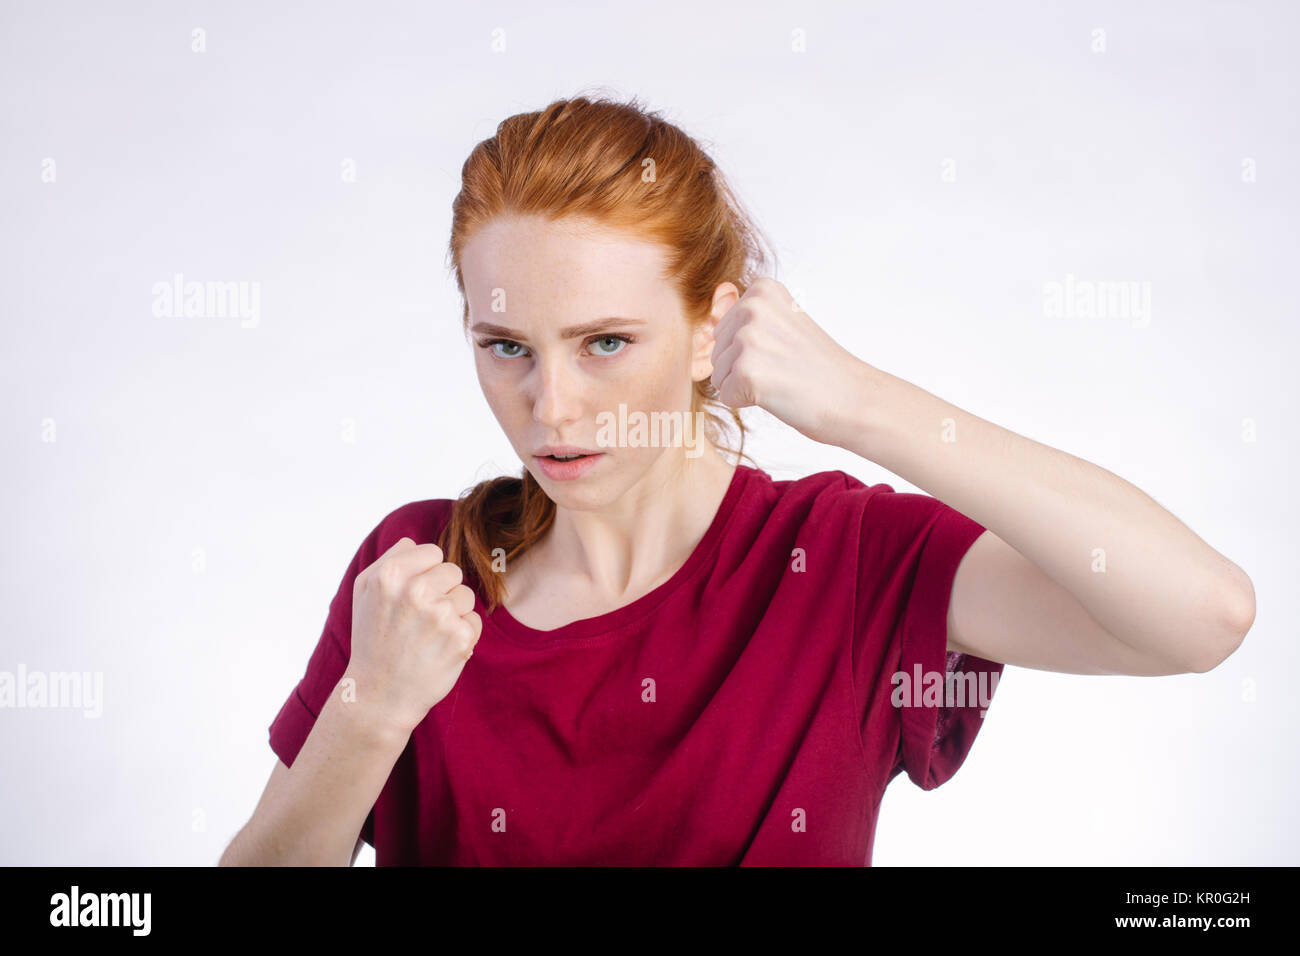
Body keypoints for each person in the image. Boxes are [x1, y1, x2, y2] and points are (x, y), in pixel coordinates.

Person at [220, 93, 1256, 867]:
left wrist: (859, 400)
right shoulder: (422, 572)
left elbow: (1201, 613)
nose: (553, 405)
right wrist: (368, 713)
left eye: (607, 341)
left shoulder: (844, 562)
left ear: (712, 330)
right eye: (505, 347)